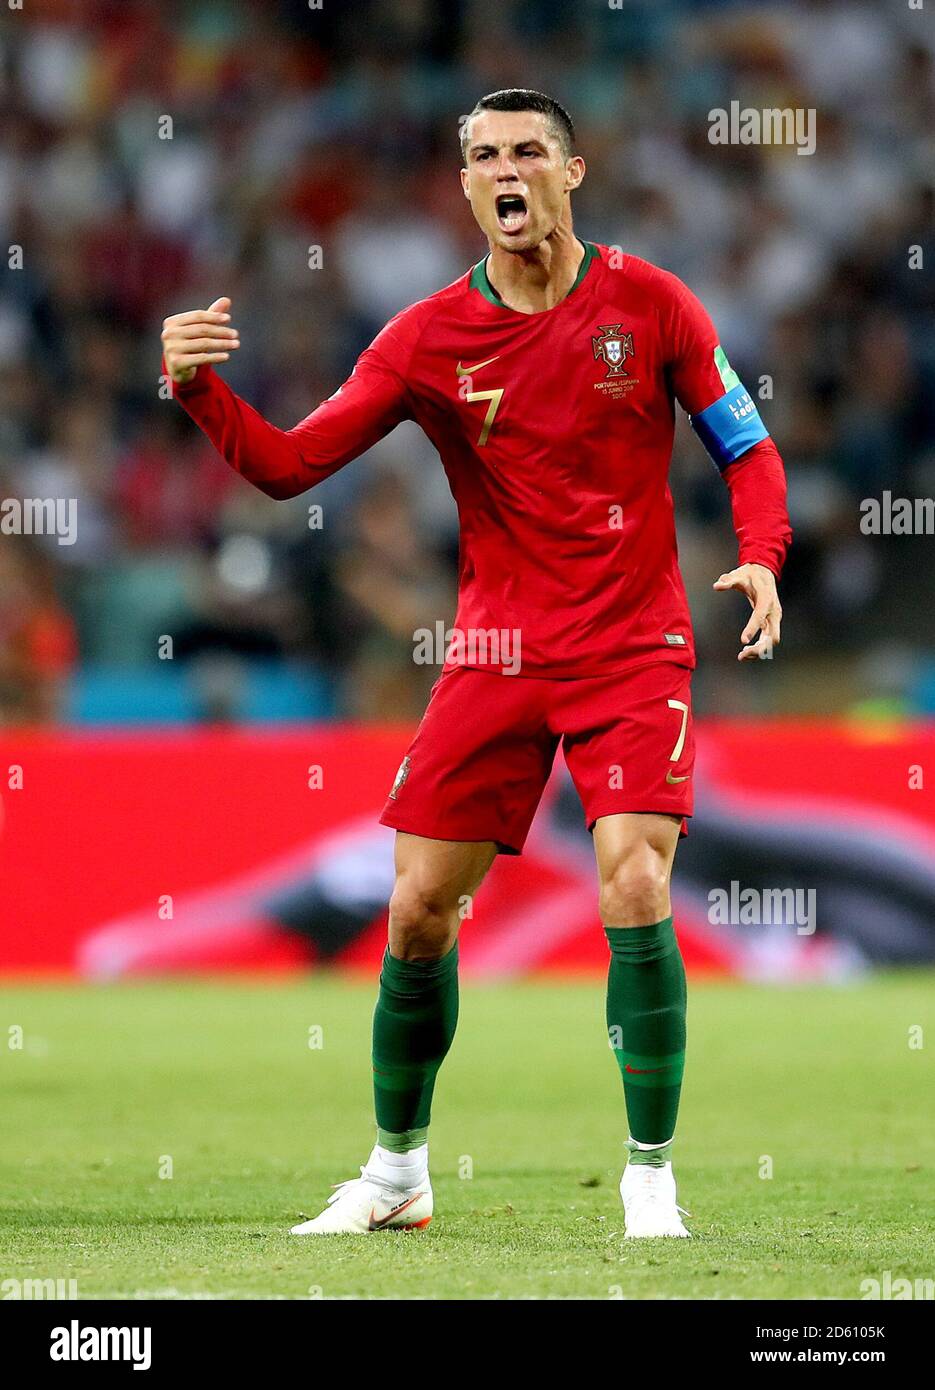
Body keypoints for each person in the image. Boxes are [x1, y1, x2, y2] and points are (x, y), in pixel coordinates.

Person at [161, 89, 790, 1238]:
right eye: (485, 156)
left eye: (528, 151)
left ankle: (648, 1177)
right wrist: (197, 388)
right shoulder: (424, 339)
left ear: (570, 171)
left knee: (634, 881)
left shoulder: (651, 304)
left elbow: (744, 449)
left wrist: (758, 555)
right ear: (463, 185)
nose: (507, 170)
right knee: (415, 912)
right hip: (496, 652)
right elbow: (289, 467)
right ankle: (397, 1172)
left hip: (630, 643)